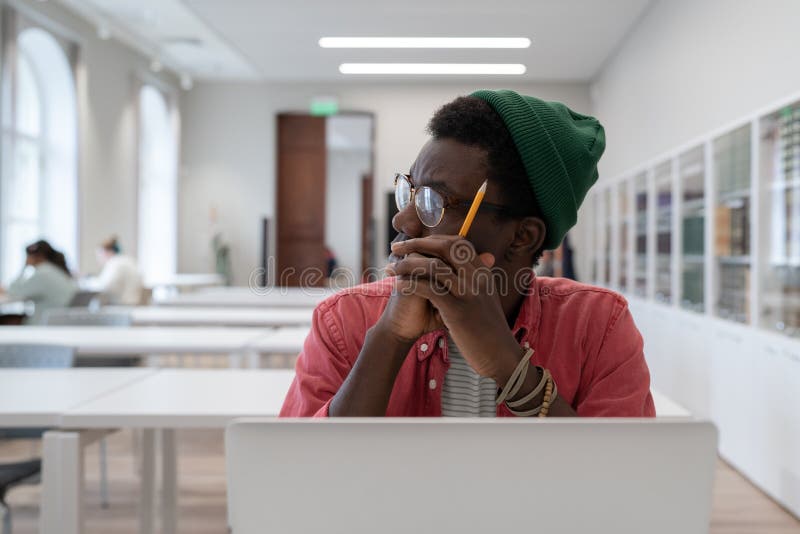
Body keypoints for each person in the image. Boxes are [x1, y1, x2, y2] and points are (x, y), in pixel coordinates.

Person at [281, 90, 654, 418]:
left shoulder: (596, 327)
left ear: (522, 236)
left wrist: (509, 366)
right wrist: (390, 338)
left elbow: (621, 486)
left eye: (434, 201)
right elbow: (299, 478)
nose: (403, 220)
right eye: (409, 192)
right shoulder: (346, 319)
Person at [3, 240, 77, 325]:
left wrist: (23, 268)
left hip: (44, 324)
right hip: (60, 321)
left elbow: (14, 292)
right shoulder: (57, 270)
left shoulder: (43, 273)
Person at [89, 236, 143, 305]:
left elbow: (104, 287)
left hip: (120, 305)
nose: (98, 259)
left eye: (99, 255)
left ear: (106, 252)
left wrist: (88, 282)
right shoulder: (129, 261)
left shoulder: (114, 263)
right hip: (133, 303)